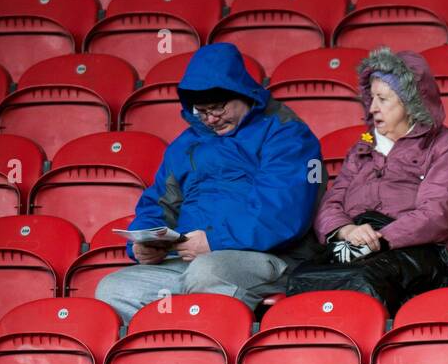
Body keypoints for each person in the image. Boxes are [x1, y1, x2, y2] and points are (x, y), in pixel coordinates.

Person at [96, 43, 323, 324]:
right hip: (189, 260)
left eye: (217, 108)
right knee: (114, 288)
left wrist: (215, 240)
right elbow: (159, 202)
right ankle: (178, 350)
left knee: (207, 273)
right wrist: (143, 243)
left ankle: (204, 353)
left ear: (243, 93)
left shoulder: (286, 133)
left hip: (269, 258)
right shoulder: (186, 144)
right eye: (201, 111)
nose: (211, 119)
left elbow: (284, 212)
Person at [282, 46, 448, 313]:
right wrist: (346, 231)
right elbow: (331, 202)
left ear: (411, 104)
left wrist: (378, 238)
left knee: (361, 283)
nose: (372, 108)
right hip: (357, 247)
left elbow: (437, 213)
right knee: (301, 280)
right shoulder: (363, 146)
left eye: (383, 99)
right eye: (371, 98)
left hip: (423, 252)